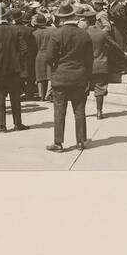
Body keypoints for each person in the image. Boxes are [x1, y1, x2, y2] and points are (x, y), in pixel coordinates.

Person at [45, 10, 93, 152]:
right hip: (79, 77)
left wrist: (54, 70)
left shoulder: (57, 34)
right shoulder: (84, 34)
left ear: (61, 18)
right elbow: (90, 59)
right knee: (79, 111)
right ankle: (80, 141)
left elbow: (49, 57)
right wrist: (87, 78)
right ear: (74, 17)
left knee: (59, 111)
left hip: (60, 77)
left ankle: (58, 143)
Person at [0, 10, 29, 133]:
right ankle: (18, 123)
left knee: (0, 98)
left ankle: (2, 125)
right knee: (15, 97)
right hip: (14, 69)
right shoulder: (16, 30)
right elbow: (24, 49)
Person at [84, 5, 122, 119]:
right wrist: (123, 55)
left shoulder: (83, 33)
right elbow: (115, 46)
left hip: (86, 66)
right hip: (101, 64)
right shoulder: (102, 33)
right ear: (96, 20)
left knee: (84, 88)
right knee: (100, 88)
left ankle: (82, 111)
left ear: (86, 21)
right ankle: (99, 111)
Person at [32, 12, 57, 100]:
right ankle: (49, 93)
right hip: (49, 53)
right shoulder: (52, 31)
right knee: (49, 74)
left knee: (40, 76)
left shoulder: (35, 33)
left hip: (39, 54)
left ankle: (41, 95)